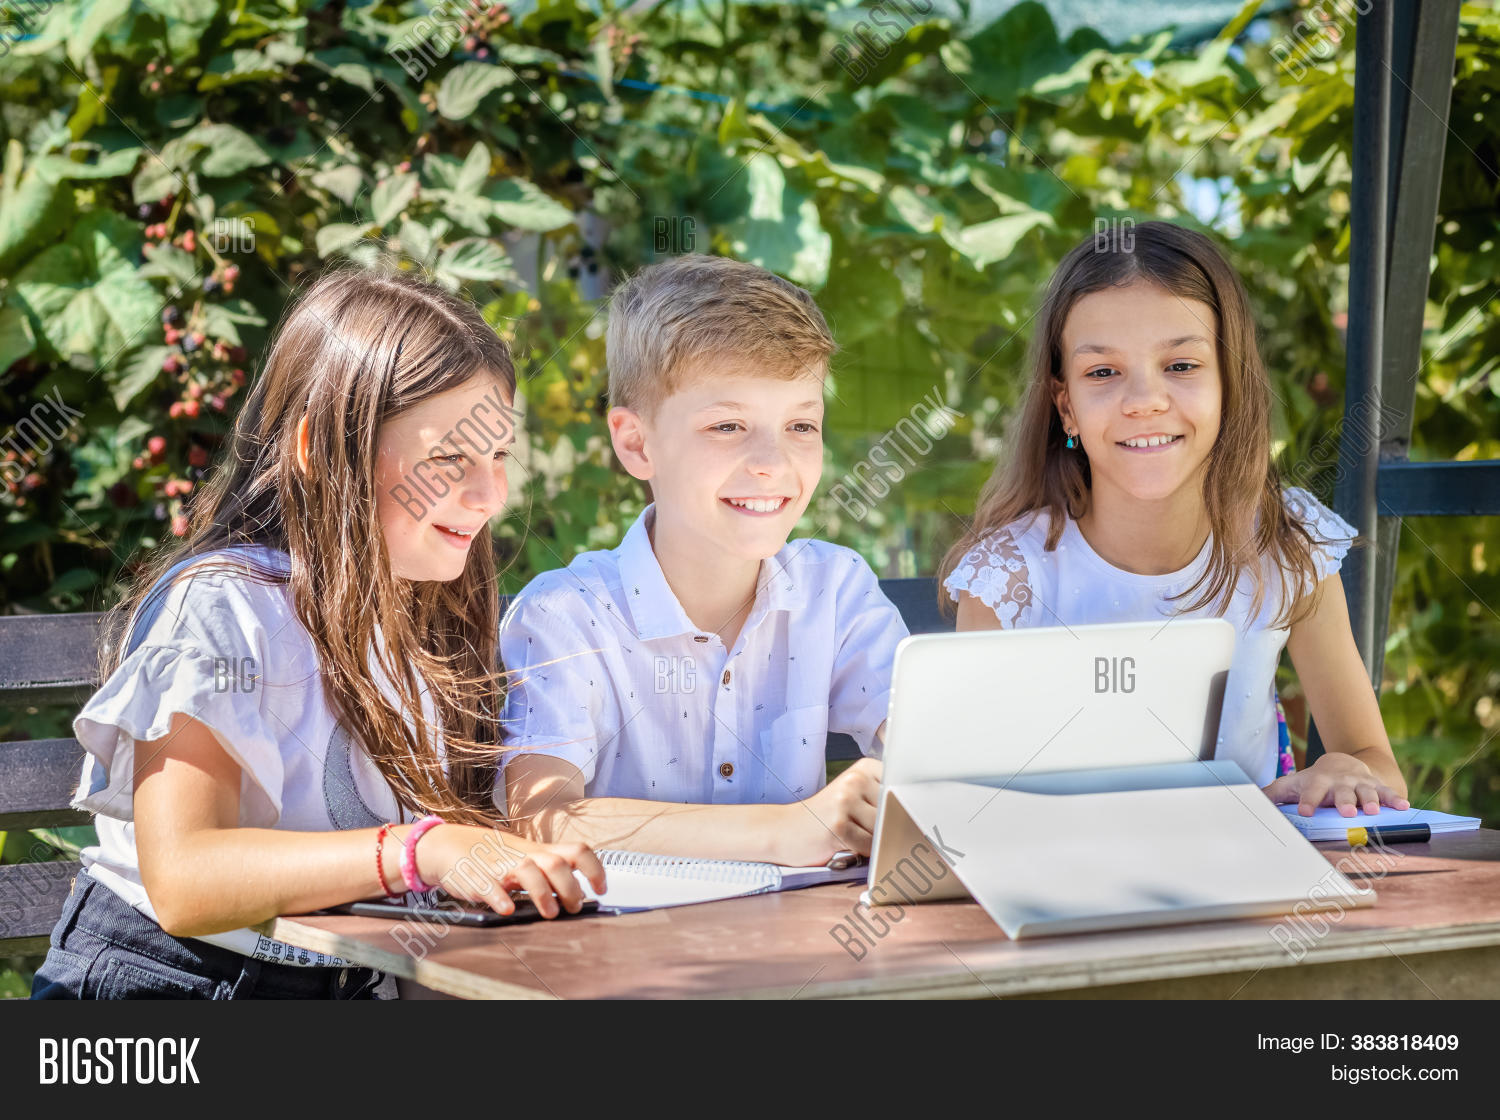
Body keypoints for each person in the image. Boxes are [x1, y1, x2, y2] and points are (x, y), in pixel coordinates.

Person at [32, 269, 604, 1000]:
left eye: (497, 455)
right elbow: (184, 879)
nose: (490, 494)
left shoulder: (426, 612)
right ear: (318, 448)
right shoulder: (226, 606)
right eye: (447, 459)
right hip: (163, 986)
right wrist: (421, 853)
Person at [942, 221, 1409, 816]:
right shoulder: (1010, 577)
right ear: (1067, 408)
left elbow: (1378, 763)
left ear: (1229, 384)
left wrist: (1350, 770)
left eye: (1181, 366)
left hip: (1249, 879)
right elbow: (966, 801)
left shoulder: (1284, 541)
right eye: (1103, 373)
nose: (1145, 400)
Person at [501, 255, 909, 866]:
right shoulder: (566, 617)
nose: (772, 461)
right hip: (624, 953)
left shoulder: (835, 589)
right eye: (727, 426)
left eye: (801, 425)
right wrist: (784, 831)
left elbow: (936, 749)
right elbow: (542, 820)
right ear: (637, 444)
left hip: (799, 947)